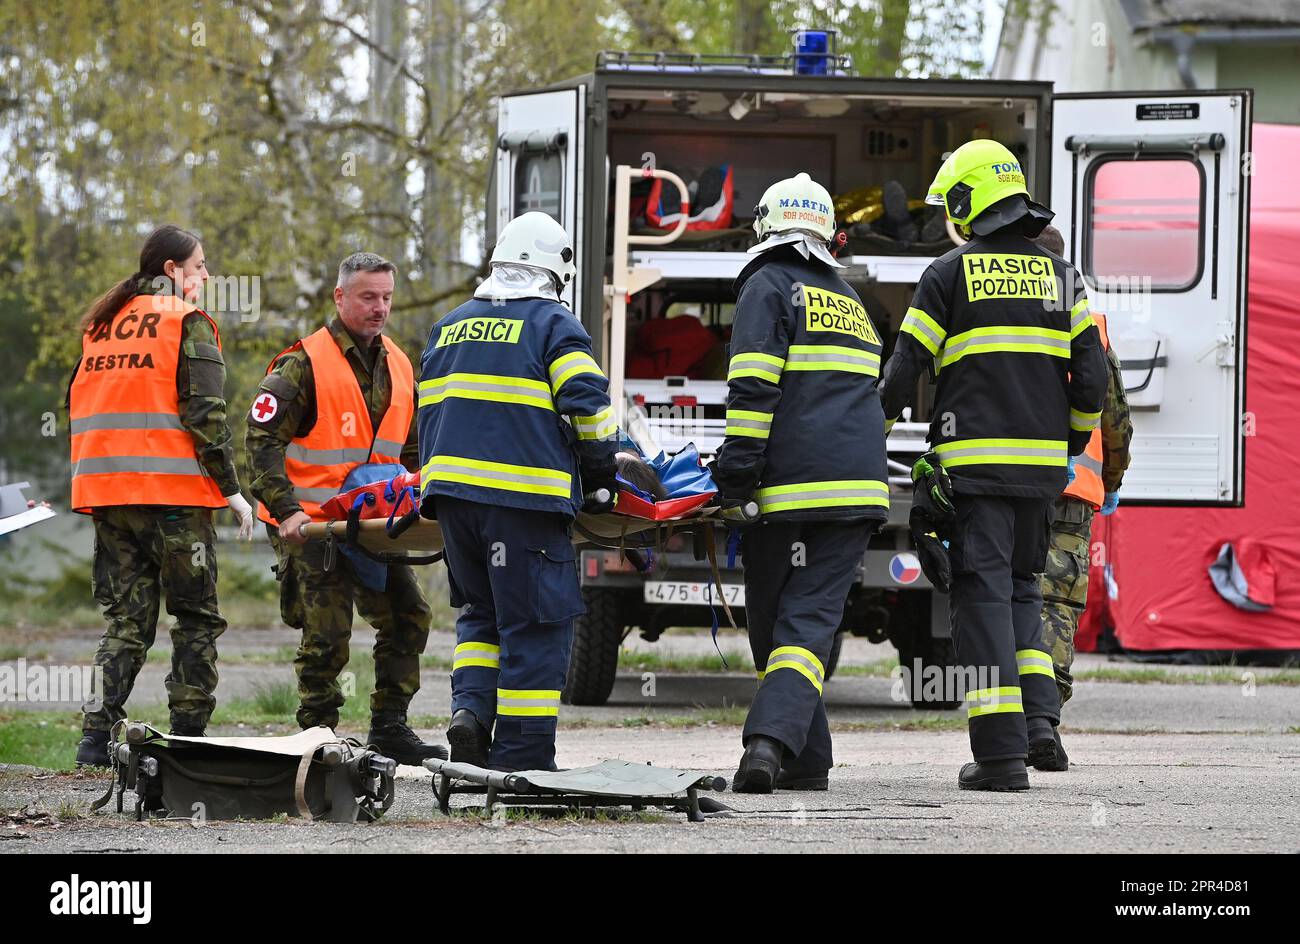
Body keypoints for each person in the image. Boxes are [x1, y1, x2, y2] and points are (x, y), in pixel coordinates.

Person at [879, 140, 1108, 791]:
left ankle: (1001, 757)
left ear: (966, 201)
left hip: (974, 476)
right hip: (1041, 478)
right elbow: (1091, 379)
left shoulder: (948, 274)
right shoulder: (1064, 277)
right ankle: (1039, 725)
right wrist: (1065, 446)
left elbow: (904, 370)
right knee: (1019, 596)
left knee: (980, 604)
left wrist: (875, 434)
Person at [418, 211, 617, 772]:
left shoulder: (450, 324)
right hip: (524, 505)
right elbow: (588, 408)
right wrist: (601, 478)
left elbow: (427, 412)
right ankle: (524, 759)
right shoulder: (554, 325)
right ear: (555, 272)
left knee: (481, 615)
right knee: (535, 625)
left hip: (454, 501)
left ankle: (471, 718)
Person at [712, 173, 890, 793]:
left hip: (786, 493)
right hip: (855, 491)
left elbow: (754, 389)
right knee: (793, 627)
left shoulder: (767, 285)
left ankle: (764, 746)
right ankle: (806, 757)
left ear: (766, 224)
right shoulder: (849, 298)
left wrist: (734, 476)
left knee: (790, 624)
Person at [246, 251, 444, 765]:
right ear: (339, 297)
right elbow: (261, 441)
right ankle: (318, 737)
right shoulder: (302, 363)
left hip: (377, 521)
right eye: (367, 297)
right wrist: (285, 510)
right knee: (327, 633)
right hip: (312, 523)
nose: (379, 308)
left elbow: (412, 450)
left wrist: (422, 500)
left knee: (409, 615)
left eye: (386, 297)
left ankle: (389, 728)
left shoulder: (401, 364)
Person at [70, 224, 253, 767]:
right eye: (199, 267)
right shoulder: (185, 321)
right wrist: (233, 491)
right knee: (195, 617)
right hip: (172, 495)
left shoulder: (101, 326)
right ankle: (188, 738)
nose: (206, 277)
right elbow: (205, 413)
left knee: (127, 622)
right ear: (172, 270)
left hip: (108, 494)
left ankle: (93, 740)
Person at [1030, 225, 1133, 772]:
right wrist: (1112, 479)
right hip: (1074, 492)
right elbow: (1114, 414)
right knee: (1058, 604)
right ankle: (1044, 721)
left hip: (1010, 484)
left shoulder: (1005, 308)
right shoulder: (1089, 321)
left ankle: (1006, 722)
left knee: (1007, 595)